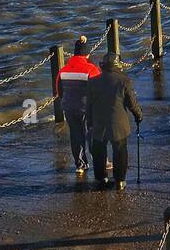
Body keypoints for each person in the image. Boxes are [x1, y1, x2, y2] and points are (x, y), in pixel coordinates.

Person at [86, 52, 143, 190]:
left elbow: (89, 105)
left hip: (99, 123)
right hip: (119, 125)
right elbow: (132, 103)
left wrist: (89, 123)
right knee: (120, 152)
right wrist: (138, 115)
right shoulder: (124, 81)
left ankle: (101, 179)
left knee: (99, 151)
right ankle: (120, 181)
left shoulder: (93, 81)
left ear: (104, 65)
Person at [55, 35, 100, 175]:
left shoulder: (63, 70)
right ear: (87, 54)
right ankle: (99, 162)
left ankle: (80, 165)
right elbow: (98, 90)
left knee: (75, 135)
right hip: (87, 107)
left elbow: (58, 90)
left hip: (69, 107)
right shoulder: (91, 69)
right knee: (92, 134)